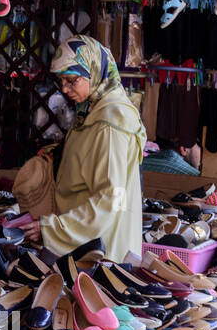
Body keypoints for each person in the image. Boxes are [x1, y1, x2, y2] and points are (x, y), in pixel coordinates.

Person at [18, 36, 147, 261]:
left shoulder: (110, 123)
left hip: (103, 249)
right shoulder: (94, 109)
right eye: (61, 82)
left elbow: (111, 199)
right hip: (89, 242)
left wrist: (52, 228)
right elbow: (93, 153)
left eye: (71, 80)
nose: (65, 89)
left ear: (94, 71)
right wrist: (62, 152)